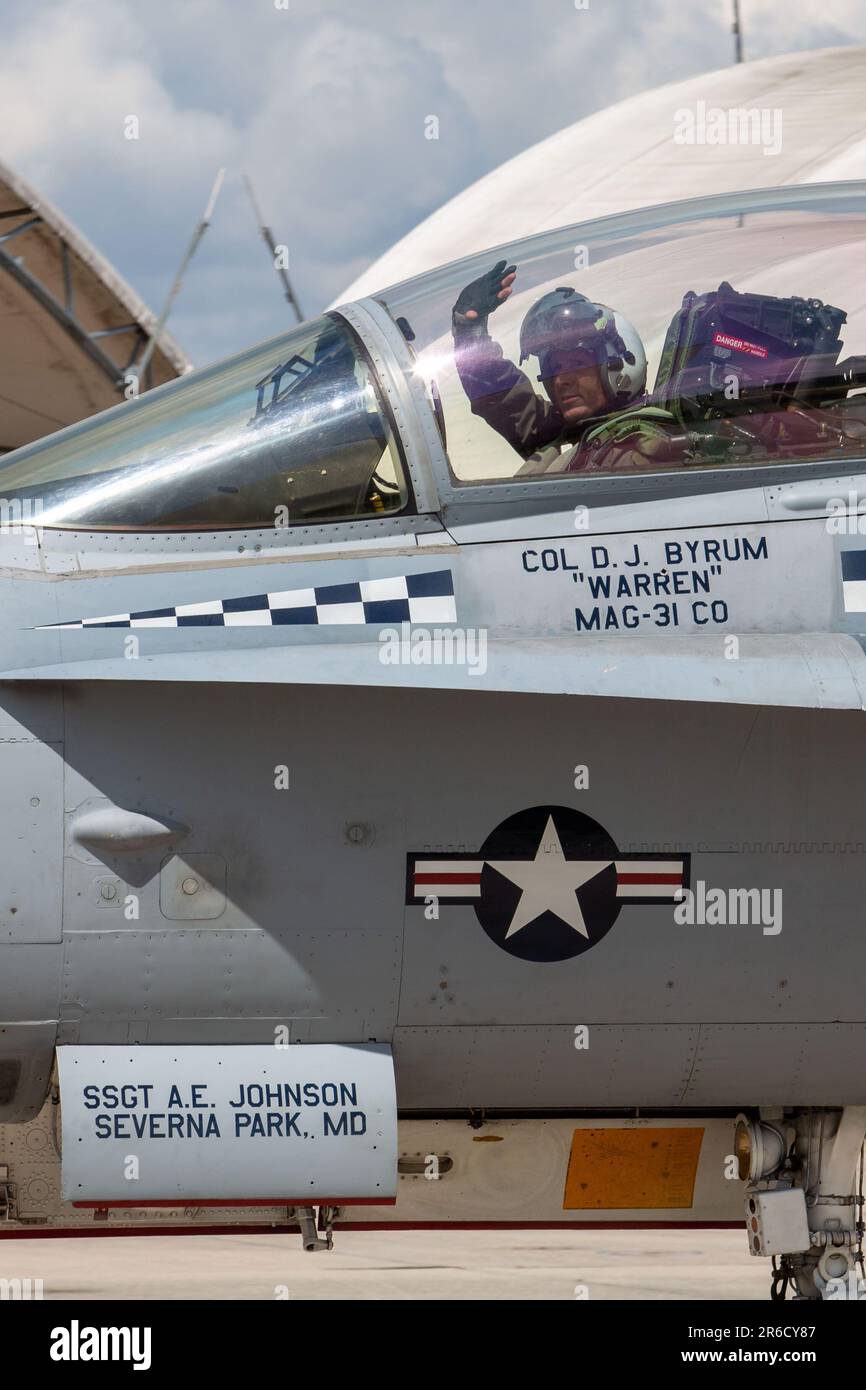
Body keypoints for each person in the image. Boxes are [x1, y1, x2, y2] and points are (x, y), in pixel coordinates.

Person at [451, 259, 661, 474]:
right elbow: (504, 400)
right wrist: (469, 331)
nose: (561, 380)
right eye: (554, 368)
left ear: (619, 364)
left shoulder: (651, 452)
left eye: (577, 364)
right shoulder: (570, 435)